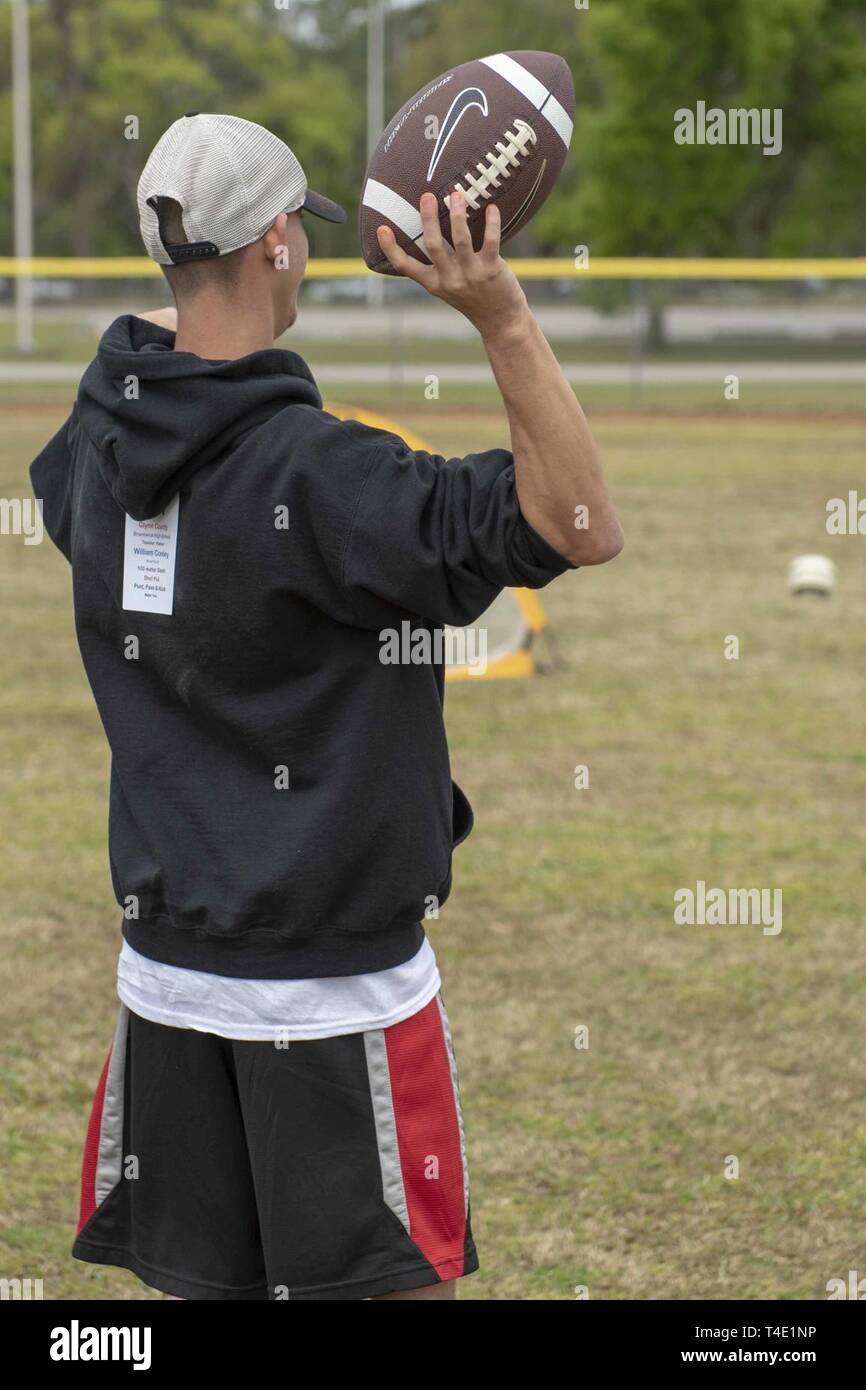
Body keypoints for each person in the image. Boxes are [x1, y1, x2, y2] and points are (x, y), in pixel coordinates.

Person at [31, 113, 622, 1302]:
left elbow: (140, 371)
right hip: (331, 994)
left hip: (166, 977)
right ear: (277, 247)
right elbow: (577, 524)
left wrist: (186, 321)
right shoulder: (326, 476)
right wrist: (498, 311)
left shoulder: (96, 447)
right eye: (298, 226)